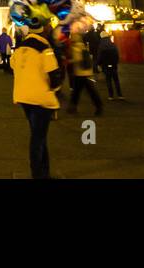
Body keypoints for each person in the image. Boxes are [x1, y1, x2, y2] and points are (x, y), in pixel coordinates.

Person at [11, 25, 64, 179]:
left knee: (39, 134)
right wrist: (55, 88)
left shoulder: (20, 48)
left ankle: (44, 171)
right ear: (43, 33)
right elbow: (54, 73)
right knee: (38, 137)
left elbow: (13, 65)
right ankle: (37, 173)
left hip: (23, 96)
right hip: (40, 98)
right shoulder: (44, 48)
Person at [67, 28, 103, 115]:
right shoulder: (82, 45)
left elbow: (78, 59)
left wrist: (68, 61)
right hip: (86, 72)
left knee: (82, 91)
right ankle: (73, 107)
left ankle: (98, 106)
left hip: (80, 73)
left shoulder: (76, 47)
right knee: (80, 91)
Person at [97, 31, 123, 100]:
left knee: (108, 80)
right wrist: (115, 62)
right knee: (116, 80)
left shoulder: (101, 45)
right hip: (113, 64)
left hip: (105, 65)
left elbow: (100, 56)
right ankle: (120, 95)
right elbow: (117, 55)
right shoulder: (112, 44)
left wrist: (98, 64)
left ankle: (111, 95)